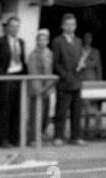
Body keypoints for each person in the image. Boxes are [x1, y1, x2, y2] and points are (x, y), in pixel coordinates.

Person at [0, 16, 27, 147]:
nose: (15, 29)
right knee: (5, 109)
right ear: (7, 28)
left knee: (17, 109)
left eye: (17, 26)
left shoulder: (21, 42)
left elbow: (22, 61)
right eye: (12, 26)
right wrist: (3, 79)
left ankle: (14, 138)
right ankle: (2, 139)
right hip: (6, 78)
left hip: (18, 78)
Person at [51, 13, 85, 145]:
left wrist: (81, 67)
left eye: (73, 24)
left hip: (77, 80)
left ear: (75, 26)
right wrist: (65, 75)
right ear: (62, 26)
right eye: (68, 24)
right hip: (64, 81)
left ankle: (76, 137)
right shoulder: (57, 41)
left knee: (76, 111)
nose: (70, 27)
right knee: (61, 110)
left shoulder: (78, 41)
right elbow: (56, 63)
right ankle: (58, 136)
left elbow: (81, 59)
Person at [27, 28, 55, 143]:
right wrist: (39, 89)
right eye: (40, 40)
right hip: (37, 89)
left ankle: (42, 135)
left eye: (44, 40)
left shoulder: (50, 54)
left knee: (45, 115)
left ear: (47, 41)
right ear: (37, 41)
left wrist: (49, 88)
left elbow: (51, 70)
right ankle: (33, 138)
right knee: (35, 114)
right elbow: (33, 72)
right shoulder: (33, 55)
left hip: (48, 89)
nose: (42, 42)